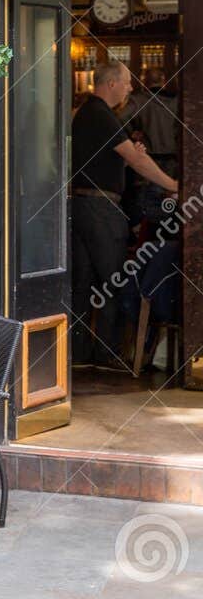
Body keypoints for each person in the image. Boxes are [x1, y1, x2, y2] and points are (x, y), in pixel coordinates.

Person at [70, 61, 177, 368]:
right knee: (113, 281)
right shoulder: (103, 116)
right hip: (101, 209)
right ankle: (107, 354)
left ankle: (78, 355)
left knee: (83, 282)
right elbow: (138, 162)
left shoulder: (87, 113)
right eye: (128, 82)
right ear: (112, 83)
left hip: (81, 205)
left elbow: (123, 158)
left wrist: (131, 157)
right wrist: (174, 186)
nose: (131, 88)